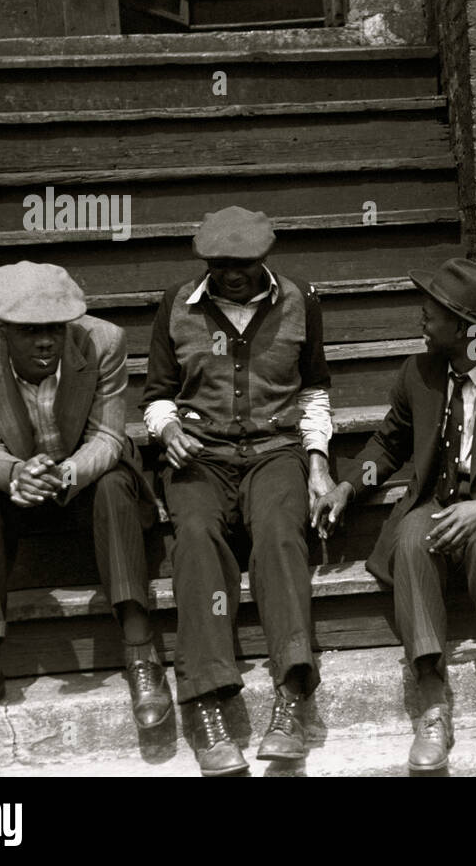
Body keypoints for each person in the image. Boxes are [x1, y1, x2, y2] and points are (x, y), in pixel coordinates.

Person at [313, 258, 476, 773]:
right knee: (410, 539)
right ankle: (432, 704)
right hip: (435, 504)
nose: (421, 323)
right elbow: (388, 446)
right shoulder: (420, 373)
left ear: (463, 327)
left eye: (430, 315)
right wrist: (347, 486)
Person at [142, 206, 335, 776]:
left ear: (264, 259)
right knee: (197, 539)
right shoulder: (177, 306)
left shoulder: (300, 301)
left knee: (280, 534)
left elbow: (314, 393)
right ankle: (206, 705)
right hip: (200, 455)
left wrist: (319, 464)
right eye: (220, 264)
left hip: (275, 452)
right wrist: (169, 429)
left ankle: (291, 699)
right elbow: (156, 395)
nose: (232, 275)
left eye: (244, 265)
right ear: (206, 263)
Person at [0, 262, 170, 742]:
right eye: (30, 331)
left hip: (86, 477)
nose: (46, 341)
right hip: (19, 482)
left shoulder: (103, 342)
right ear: (2, 330)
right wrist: (15, 474)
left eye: (54, 328)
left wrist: (68, 471)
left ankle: (140, 654)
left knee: (114, 484)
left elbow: (109, 437)